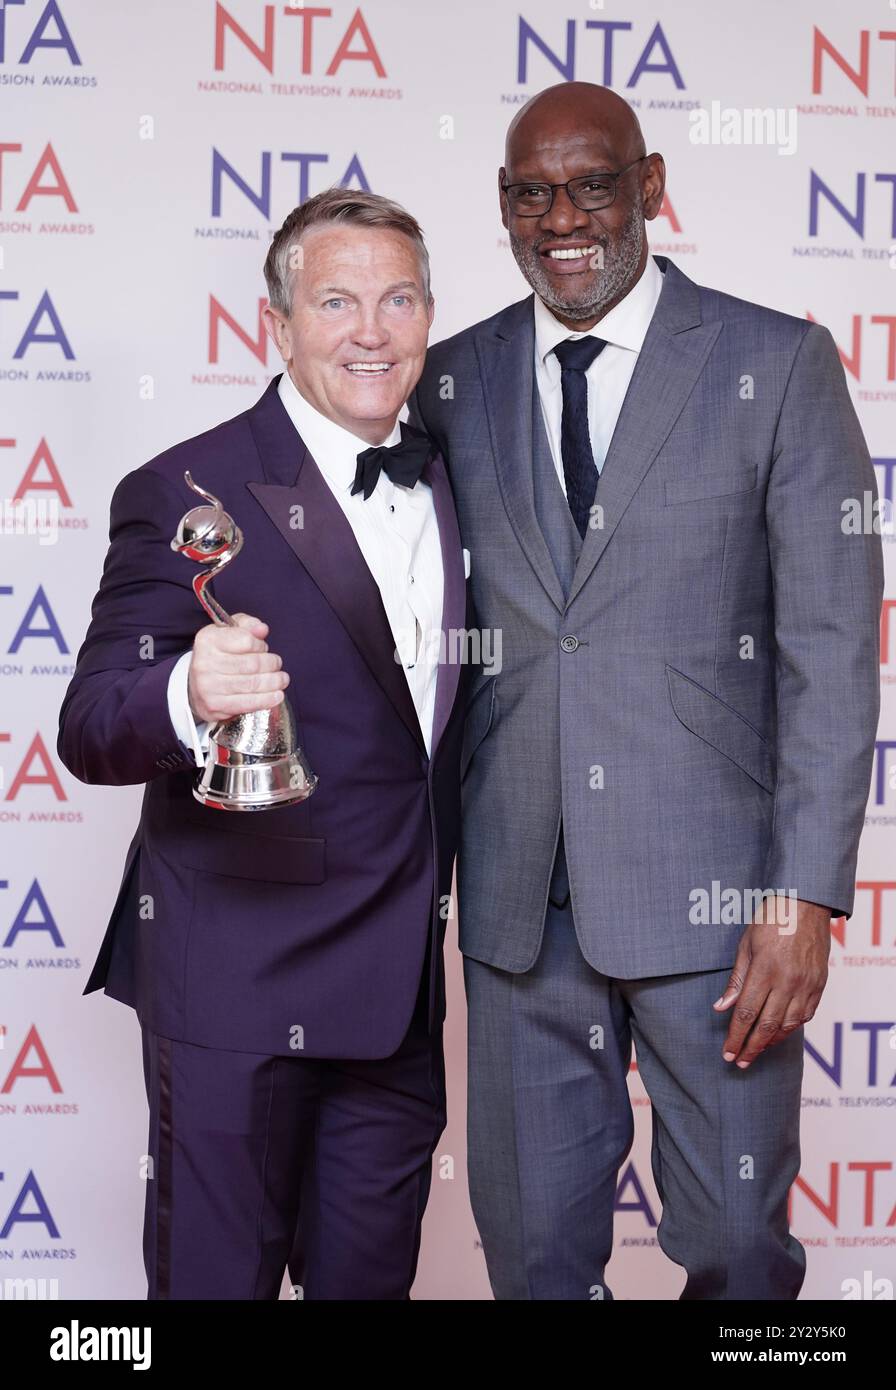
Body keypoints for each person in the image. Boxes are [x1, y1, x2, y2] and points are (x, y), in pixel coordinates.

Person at [410, 82, 884, 1300]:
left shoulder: (772, 362)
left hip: (716, 906)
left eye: (592, 184)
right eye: (530, 192)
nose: (561, 216)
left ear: (651, 187)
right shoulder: (451, 381)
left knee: (735, 1245)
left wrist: (799, 895)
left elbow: (828, 648)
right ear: (503, 208)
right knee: (531, 1260)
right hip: (521, 911)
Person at [58, 188, 468, 1300]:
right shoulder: (185, 488)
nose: (370, 331)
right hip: (235, 982)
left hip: (395, 1004)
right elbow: (90, 727)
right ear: (275, 323)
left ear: (429, 314)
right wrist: (186, 687)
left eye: (396, 298)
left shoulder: (455, 478)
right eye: (335, 300)